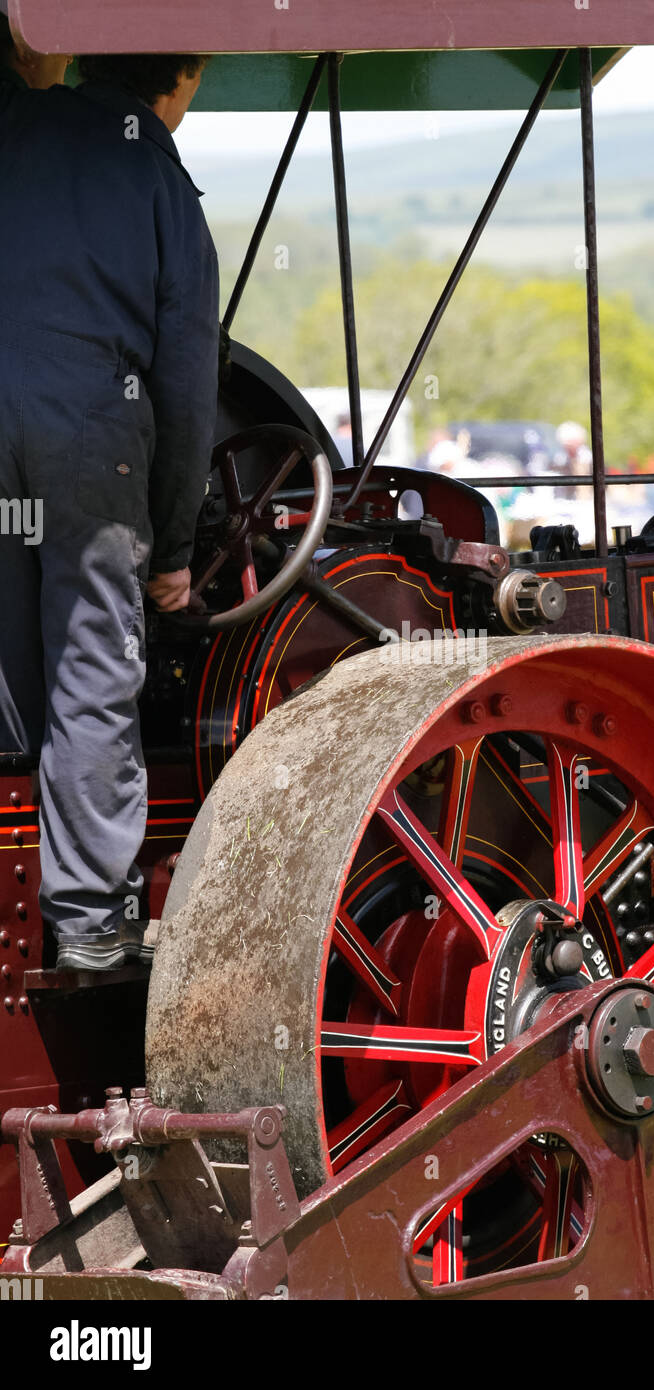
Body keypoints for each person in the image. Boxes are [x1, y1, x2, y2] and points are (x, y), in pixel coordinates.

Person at [0, 51, 220, 970]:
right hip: (87, 436)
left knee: (11, 654)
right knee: (95, 655)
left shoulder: (17, 127)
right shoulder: (153, 172)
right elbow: (185, 380)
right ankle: (90, 919)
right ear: (185, 80)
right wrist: (172, 548)